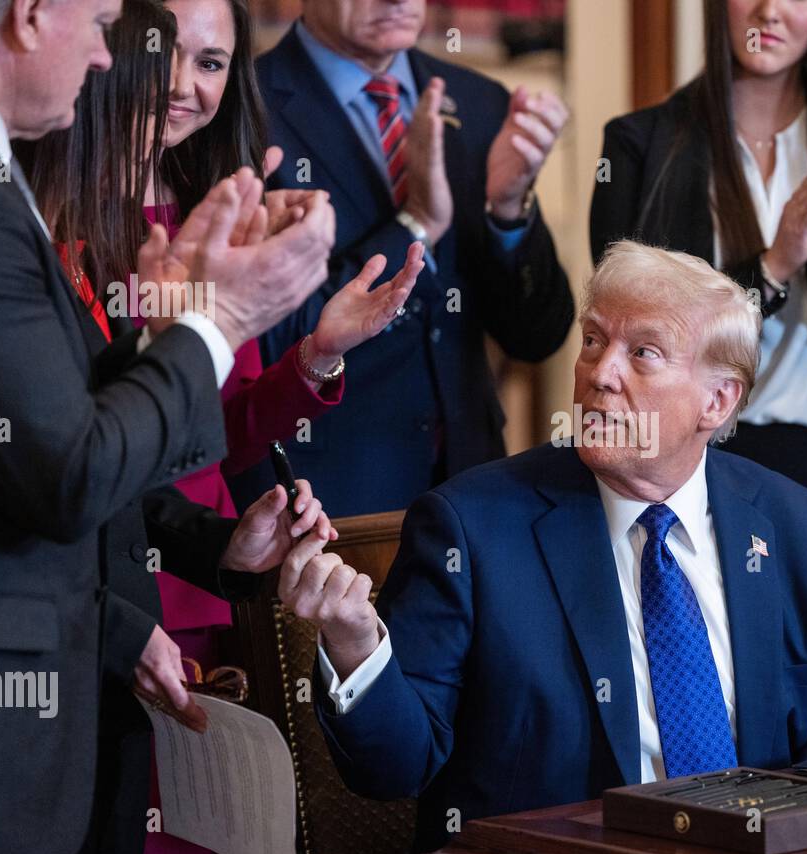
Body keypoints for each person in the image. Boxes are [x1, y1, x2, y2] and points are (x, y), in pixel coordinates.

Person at [281, 241, 807, 854]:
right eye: (593, 341)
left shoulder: (798, 529)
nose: (600, 373)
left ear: (717, 401)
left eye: (642, 353)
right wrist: (356, 643)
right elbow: (394, 770)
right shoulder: (471, 529)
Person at [19, 0, 423, 854]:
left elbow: (217, 429)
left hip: (195, 569)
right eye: (165, 54)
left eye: (211, 64)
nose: (183, 86)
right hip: (75, 597)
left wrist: (317, 354)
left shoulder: (212, 206)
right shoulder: (39, 213)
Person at [0, 0, 335, 854]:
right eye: (98, 24)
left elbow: (62, 435)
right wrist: (212, 321)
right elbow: (63, 473)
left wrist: (223, 548)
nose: (103, 58)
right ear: (28, 14)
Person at [590, 0, 807, 673]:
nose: (769, 10)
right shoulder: (639, 144)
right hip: (687, 473)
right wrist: (774, 265)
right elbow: (635, 329)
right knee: (702, 726)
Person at [228, 0, 576, 517]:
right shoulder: (241, 109)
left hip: (471, 488)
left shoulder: (480, 104)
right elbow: (255, 341)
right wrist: (413, 226)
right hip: (322, 503)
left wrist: (508, 212)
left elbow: (538, 336)